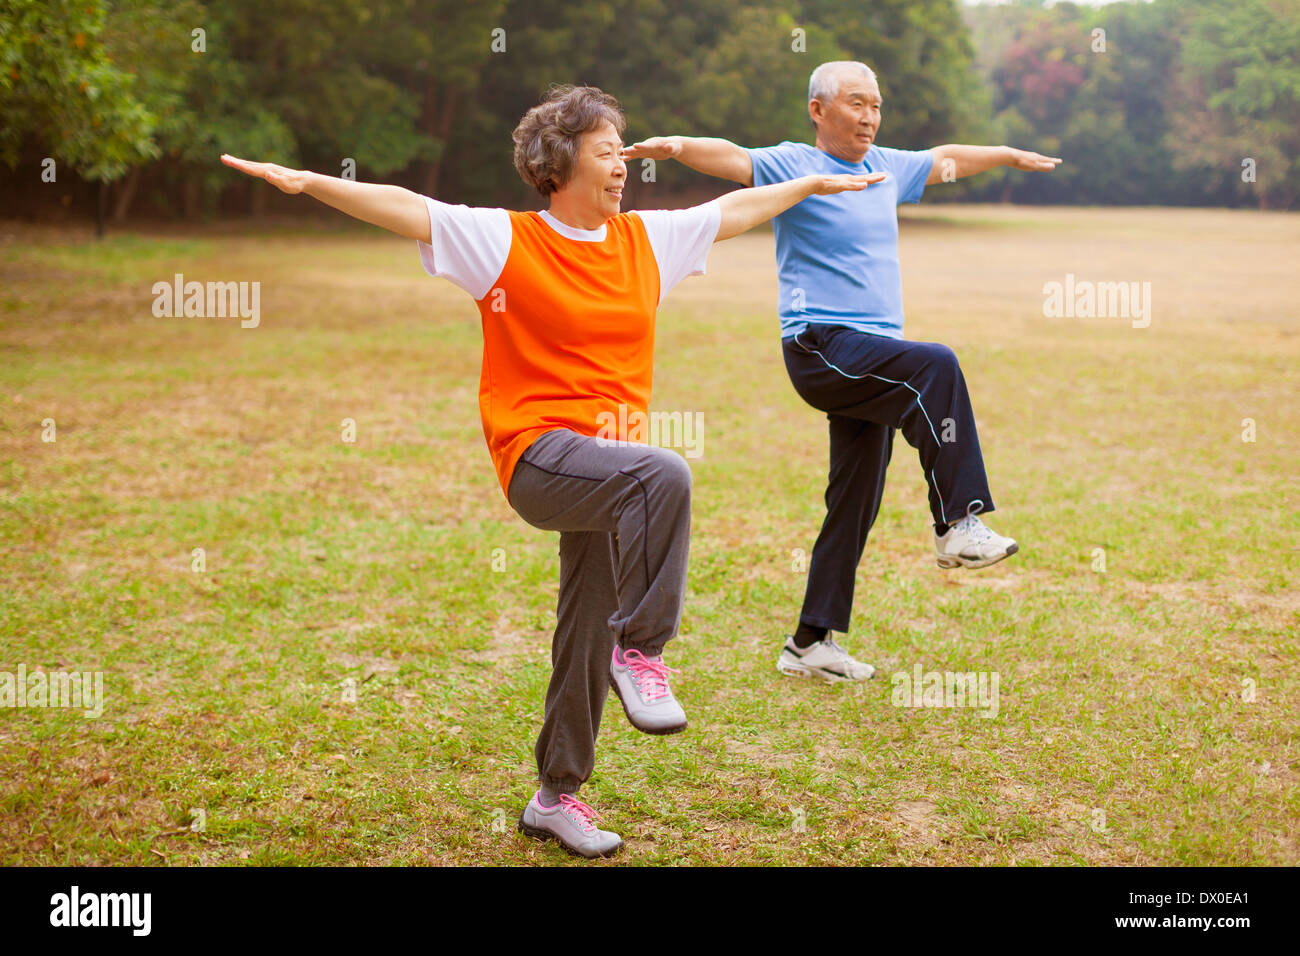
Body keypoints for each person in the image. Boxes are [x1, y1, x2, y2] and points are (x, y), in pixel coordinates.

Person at [222, 84, 883, 857]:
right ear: (559, 164)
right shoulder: (502, 241)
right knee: (663, 473)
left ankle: (555, 796)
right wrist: (307, 182)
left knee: (581, 629)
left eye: (622, 152)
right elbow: (404, 206)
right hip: (538, 457)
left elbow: (735, 213)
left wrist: (809, 182)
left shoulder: (645, 242)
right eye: (606, 152)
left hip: (610, 473)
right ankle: (641, 651)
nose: (621, 167)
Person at [625, 60, 1062, 684]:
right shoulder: (794, 165)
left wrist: (1005, 155)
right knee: (935, 366)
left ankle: (810, 643)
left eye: (877, 106)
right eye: (856, 103)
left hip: (873, 361)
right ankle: (959, 523)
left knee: (855, 499)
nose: (869, 117)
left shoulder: (886, 167)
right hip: (821, 344)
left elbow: (946, 159)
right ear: (818, 110)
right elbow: (731, 159)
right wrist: (678, 147)